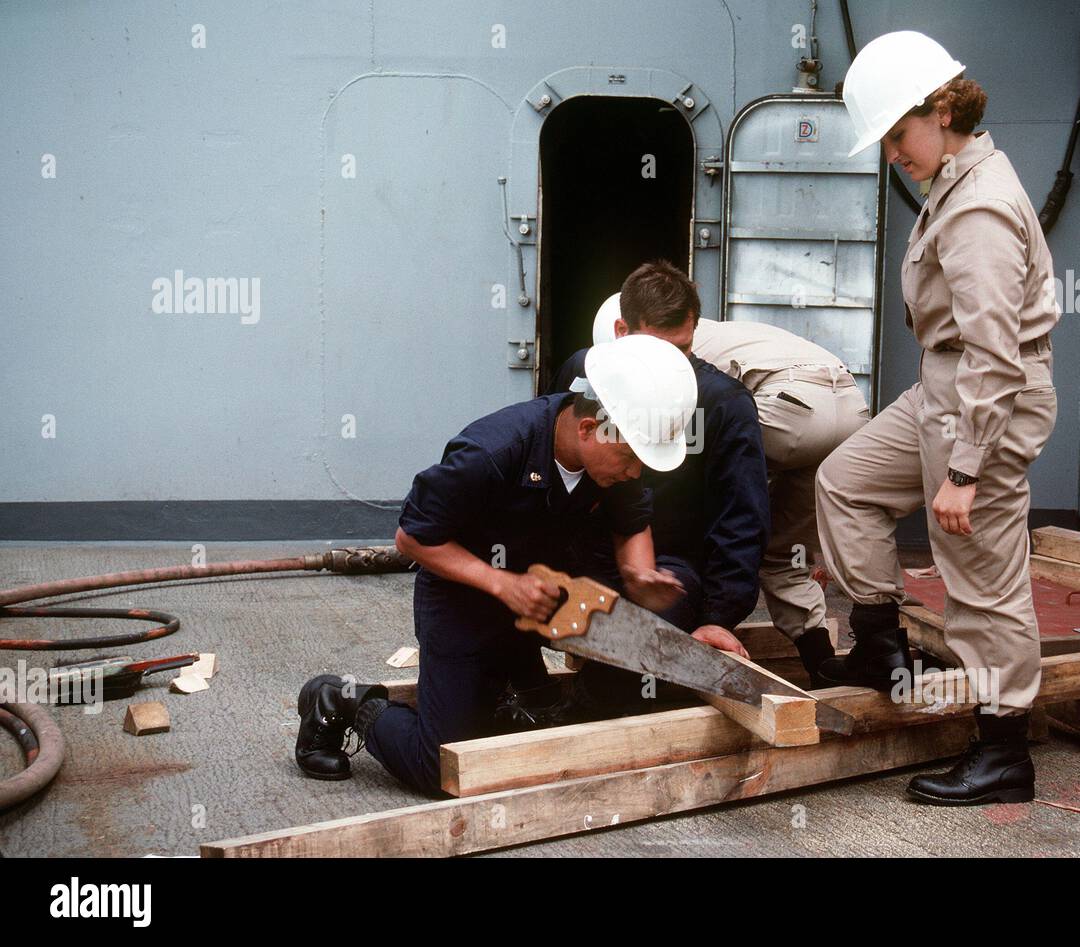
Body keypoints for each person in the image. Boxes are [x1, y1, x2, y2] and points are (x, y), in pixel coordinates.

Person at [816, 31, 1060, 805]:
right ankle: (885, 647)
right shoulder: (955, 181)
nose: (892, 153)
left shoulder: (979, 205)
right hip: (943, 388)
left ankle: (1002, 751)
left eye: (897, 133)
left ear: (943, 108)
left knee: (981, 582)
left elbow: (997, 352)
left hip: (983, 399)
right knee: (845, 480)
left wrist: (964, 470)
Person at [294, 335, 697, 794]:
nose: (634, 473)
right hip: (460, 600)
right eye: (629, 459)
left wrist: (637, 575)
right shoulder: (492, 451)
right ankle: (342, 700)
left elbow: (632, 521)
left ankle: (492, 691)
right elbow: (411, 538)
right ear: (588, 429)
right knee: (441, 769)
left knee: (534, 733)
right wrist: (502, 584)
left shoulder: (614, 454)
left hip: (526, 607)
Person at [593, 299, 869, 687]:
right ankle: (823, 666)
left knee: (708, 476)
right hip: (851, 410)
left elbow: (733, 503)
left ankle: (698, 599)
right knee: (783, 555)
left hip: (788, 408)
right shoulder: (719, 331)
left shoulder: (671, 354)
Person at [551, 262, 770, 705]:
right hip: (587, 554)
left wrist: (720, 618)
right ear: (621, 330)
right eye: (657, 350)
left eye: (682, 350)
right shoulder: (584, 371)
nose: (672, 365)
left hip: (669, 570)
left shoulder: (724, 404)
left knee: (634, 656)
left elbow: (742, 521)